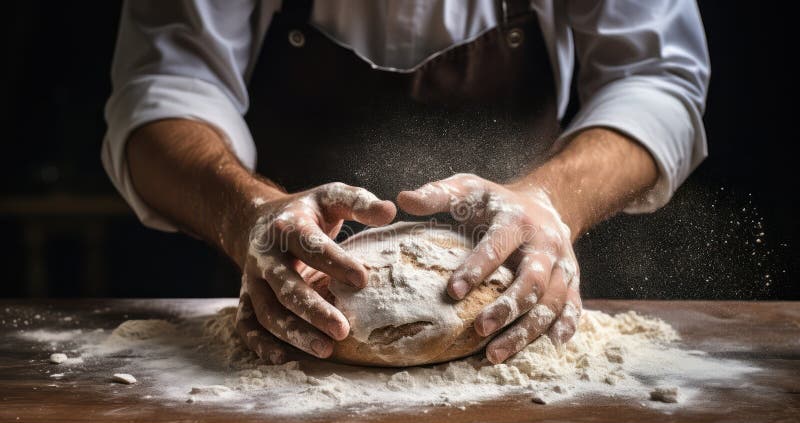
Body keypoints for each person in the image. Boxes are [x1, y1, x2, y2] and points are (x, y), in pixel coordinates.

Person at [102, 0, 709, 365]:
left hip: (516, 323)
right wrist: (247, 213)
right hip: (283, 325)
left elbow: (657, 80)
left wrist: (550, 202)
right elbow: (162, 87)